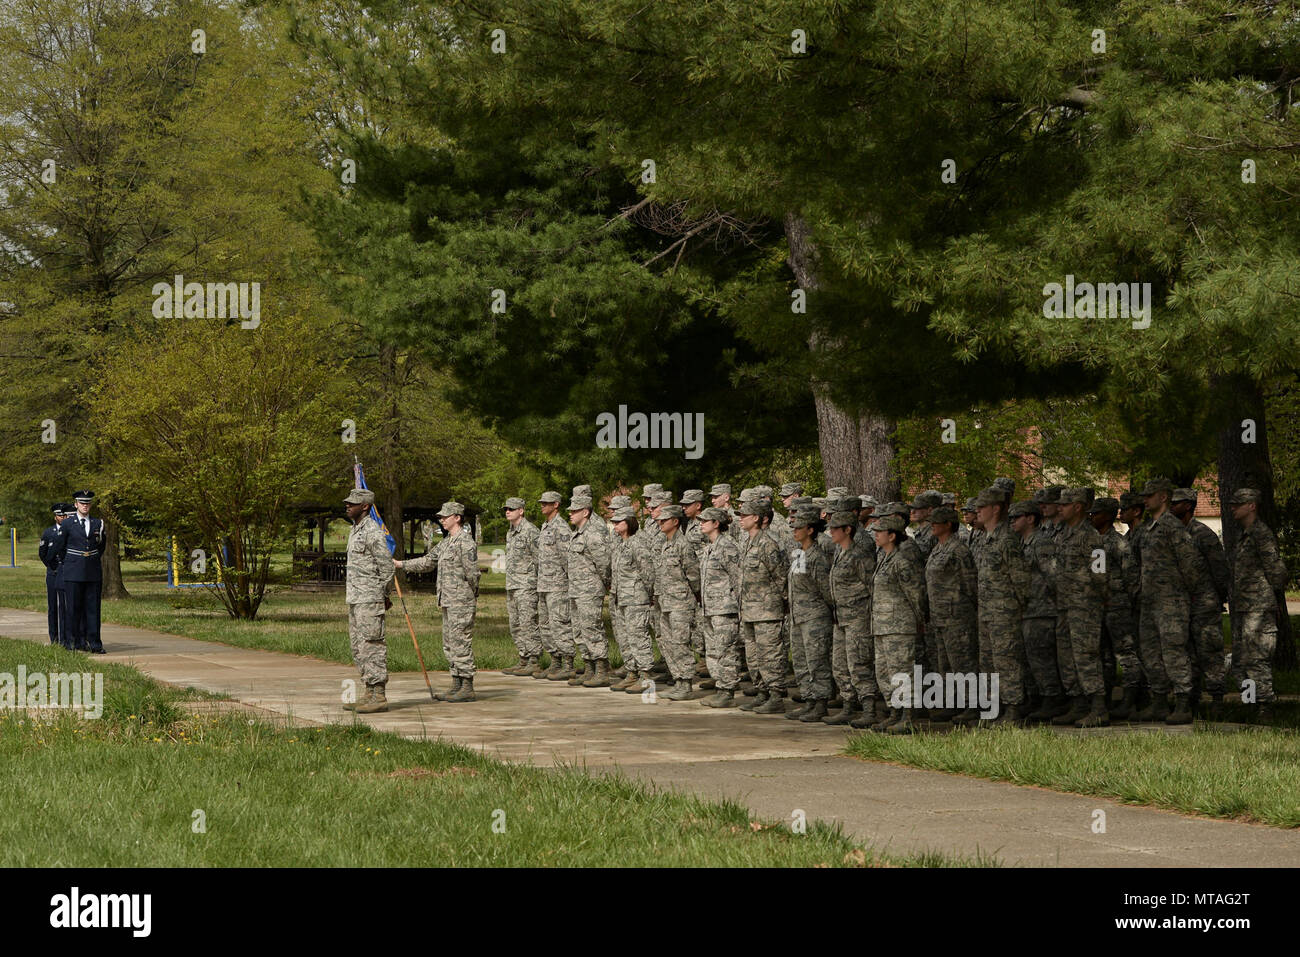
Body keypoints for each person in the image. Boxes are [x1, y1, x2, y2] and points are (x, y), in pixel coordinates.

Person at [395, 501, 480, 702]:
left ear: (457, 517)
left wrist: (468, 596)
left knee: (461, 643)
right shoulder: (446, 542)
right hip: (448, 601)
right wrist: (401, 564)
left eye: (445, 516)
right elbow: (427, 562)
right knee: (449, 644)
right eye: (441, 517)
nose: (441, 519)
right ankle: (456, 683)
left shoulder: (465, 542)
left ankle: (467, 685)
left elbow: (473, 574)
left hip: (461, 601)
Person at [1133, 478, 1200, 723]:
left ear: (1163, 497)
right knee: (1151, 653)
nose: (1145, 499)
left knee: (1173, 651)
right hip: (1150, 602)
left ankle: (1183, 702)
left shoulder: (1172, 526)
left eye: (1149, 495)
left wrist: (1183, 593)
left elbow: (1190, 563)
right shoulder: (1151, 527)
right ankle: (1159, 701)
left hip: (1171, 602)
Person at [1226, 488, 1290, 723]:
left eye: (1238, 504)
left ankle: (1264, 708)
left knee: (1257, 659)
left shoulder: (1261, 534)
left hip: (1259, 607)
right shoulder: (1245, 535)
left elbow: (1276, 570)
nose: (1233, 508)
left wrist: (1271, 600)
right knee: (1241, 662)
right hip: (1244, 608)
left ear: (1252, 505)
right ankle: (1251, 704)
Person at [973, 486, 1030, 724]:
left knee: (1007, 661)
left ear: (996, 509)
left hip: (1004, 612)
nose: (977, 511)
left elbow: (1021, 579)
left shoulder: (1007, 539)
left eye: (982, 507)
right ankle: (993, 708)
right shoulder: (985, 539)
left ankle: (1014, 708)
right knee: (988, 663)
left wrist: (1015, 607)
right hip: (986, 611)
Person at [1170, 488, 1229, 716]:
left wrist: (1219, 598)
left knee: (1210, 652)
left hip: (1205, 604)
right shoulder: (1173, 534)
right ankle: (1191, 699)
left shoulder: (1203, 534)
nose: (1172, 507)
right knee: (1188, 654)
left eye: (1177, 503)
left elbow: (1220, 570)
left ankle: (1217, 699)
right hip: (1182, 606)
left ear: (1188, 505)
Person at [1053, 488, 1109, 727]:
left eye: (1064, 505)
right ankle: (1078, 704)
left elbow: (1100, 573)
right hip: (1065, 605)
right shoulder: (1064, 535)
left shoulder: (1091, 536)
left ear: (1077, 507)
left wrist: (1091, 599)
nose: (1059, 508)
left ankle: (1098, 708)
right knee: (1067, 657)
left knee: (1086, 656)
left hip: (1084, 606)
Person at [340, 487, 394, 713]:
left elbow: (386, 566)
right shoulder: (355, 530)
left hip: (370, 598)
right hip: (356, 598)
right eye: (347, 503)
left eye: (352, 503)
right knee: (359, 646)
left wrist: (383, 594)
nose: (347, 506)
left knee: (372, 645)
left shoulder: (372, 531)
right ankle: (368, 691)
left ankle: (379, 694)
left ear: (365, 506)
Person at [1010, 500, 1065, 724]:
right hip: (1028, 610)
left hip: (1042, 610)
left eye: (1017, 517)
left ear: (1030, 518)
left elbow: (1054, 577)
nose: (1012, 521)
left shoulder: (1041, 543)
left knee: (1043, 660)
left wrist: (1056, 606)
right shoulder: (1022, 543)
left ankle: (1053, 699)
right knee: (1031, 660)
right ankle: (1038, 698)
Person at [924, 506, 979, 725]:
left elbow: (970, 583)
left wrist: (967, 608)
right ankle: (951, 703)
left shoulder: (958, 549)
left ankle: (972, 705)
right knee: (944, 664)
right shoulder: (938, 548)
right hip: (939, 615)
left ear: (948, 524)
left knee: (963, 663)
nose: (932, 525)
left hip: (957, 615)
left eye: (937, 522)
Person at [1089, 496, 1143, 719]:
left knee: (1126, 654)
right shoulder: (1094, 542)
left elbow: (1131, 576)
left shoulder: (1117, 543)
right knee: (1104, 657)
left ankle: (1131, 700)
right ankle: (1106, 699)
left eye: (1097, 513)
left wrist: (1127, 602)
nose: (1092, 517)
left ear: (1108, 516)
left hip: (1117, 606)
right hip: (1099, 607)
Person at [870, 514, 925, 733]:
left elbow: (915, 594)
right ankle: (894, 712)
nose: (875, 535)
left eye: (879, 532)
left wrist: (920, 619)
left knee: (901, 671)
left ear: (892, 536)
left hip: (899, 626)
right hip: (883, 626)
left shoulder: (902, 561)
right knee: (884, 671)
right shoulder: (883, 558)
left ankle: (908, 716)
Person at [737, 500, 790, 714]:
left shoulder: (768, 543)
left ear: (757, 518)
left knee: (770, 655)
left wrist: (781, 603)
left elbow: (781, 577)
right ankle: (762, 692)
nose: (741, 519)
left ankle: (776, 695)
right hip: (749, 610)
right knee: (753, 656)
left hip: (767, 610)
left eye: (745, 515)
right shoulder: (747, 542)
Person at [826, 510, 876, 726]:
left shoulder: (859, 555)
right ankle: (848, 704)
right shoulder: (839, 552)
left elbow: (871, 586)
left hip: (857, 617)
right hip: (841, 618)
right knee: (840, 664)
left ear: (848, 530)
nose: (831, 532)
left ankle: (869, 708)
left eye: (835, 528)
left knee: (859, 663)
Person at [786, 511, 835, 723]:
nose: (795, 531)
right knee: (801, 660)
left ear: (811, 530)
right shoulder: (798, 554)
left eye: (799, 528)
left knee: (817, 661)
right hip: (798, 616)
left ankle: (821, 702)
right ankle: (809, 700)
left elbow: (826, 589)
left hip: (815, 615)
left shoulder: (817, 557)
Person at [653, 504, 702, 700]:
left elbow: (693, 575)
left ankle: (686, 683)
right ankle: (678, 679)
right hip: (666, 602)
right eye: (659, 520)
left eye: (664, 520)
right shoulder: (665, 544)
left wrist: (695, 597)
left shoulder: (683, 545)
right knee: (668, 643)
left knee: (681, 643)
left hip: (681, 603)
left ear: (675, 521)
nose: (660, 523)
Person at [566, 495, 614, 687]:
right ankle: (589, 667)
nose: (570, 513)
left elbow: (603, 563)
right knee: (579, 630)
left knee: (592, 628)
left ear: (585, 512)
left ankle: (602, 669)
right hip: (576, 589)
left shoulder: (593, 534)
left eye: (574, 511)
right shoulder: (576, 533)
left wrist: (605, 584)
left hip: (589, 589)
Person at [51, 490, 107, 654]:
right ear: (76, 504)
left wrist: (90, 558)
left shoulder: (98, 523)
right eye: (82, 503)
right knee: (73, 609)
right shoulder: (68, 523)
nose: (85, 506)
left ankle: (95, 643)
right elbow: (60, 547)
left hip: (92, 571)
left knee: (93, 609)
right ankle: (72, 642)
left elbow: (101, 546)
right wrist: (70, 562)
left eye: (88, 503)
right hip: (73, 571)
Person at [698, 506, 742, 707]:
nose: (701, 524)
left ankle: (728, 690)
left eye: (705, 521)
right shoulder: (709, 547)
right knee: (714, 650)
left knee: (726, 650)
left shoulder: (727, 546)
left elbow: (738, 578)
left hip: (725, 608)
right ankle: (720, 687)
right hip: (710, 608)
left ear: (716, 523)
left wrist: (740, 606)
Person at [609, 507, 657, 694]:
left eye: (618, 522)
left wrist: (648, 595)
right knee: (625, 637)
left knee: (638, 636)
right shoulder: (622, 544)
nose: (614, 525)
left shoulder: (637, 544)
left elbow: (648, 573)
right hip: (621, 598)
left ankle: (645, 676)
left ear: (628, 523)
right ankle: (632, 672)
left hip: (636, 598)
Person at [534, 491, 576, 680]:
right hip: (544, 584)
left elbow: (568, 559)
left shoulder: (561, 528)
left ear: (556, 505)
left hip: (558, 585)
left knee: (560, 625)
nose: (542, 505)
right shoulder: (545, 526)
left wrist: (569, 583)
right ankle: (555, 661)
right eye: (542, 503)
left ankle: (568, 663)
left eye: (546, 503)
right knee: (545, 625)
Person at [501, 497, 542, 676]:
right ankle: (523, 658)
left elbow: (539, 559)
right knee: (515, 624)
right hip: (512, 584)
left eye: (511, 508)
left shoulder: (530, 531)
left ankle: (534, 660)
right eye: (506, 509)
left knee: (528, 622)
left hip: (527, 585)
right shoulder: (510, 532)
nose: (507, 511)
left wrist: (536, 582)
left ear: (521, 511)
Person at [38, 503, 68, 646]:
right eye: (59, 515)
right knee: (52, 607)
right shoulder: (48, 532)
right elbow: (42, 554)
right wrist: (51, 567)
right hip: (52, 573)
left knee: (64, 607)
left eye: (63, 515)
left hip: (65, 573)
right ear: (55, 516)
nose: (61, 518)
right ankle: (54, 638)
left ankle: (64, 639)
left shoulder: (70, 530)